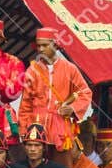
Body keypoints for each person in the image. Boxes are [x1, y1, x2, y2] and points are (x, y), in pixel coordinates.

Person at [18, 26, 93, 159]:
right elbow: (25, 104)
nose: (40, 49)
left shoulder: (70, 69)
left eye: (45, 45)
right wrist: (24, 131)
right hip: (36, 129)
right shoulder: (32, 70)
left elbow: (85, 92)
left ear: (56, 45)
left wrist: (72, 108)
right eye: (39, 46)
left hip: (61, 130)